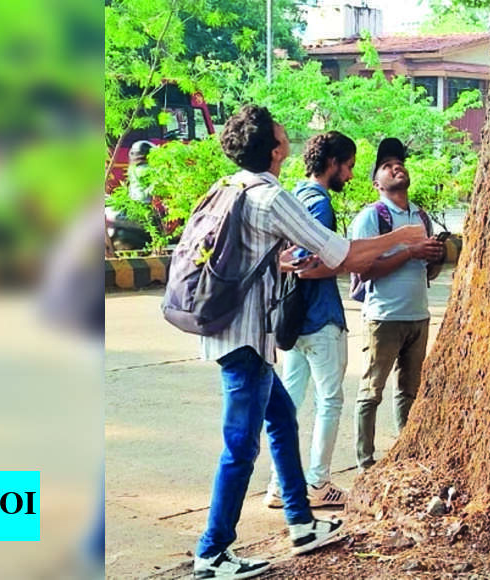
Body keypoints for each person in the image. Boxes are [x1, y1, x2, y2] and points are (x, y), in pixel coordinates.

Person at [192, 107, 428, 580]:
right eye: (283, 135)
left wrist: (276, 264)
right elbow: (341, 255)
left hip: (233, 332)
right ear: (274, 149)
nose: (289, 141)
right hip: (245, 340)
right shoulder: (271, 197)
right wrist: (402, 237)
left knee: (282, 419)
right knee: (240, 448)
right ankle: (212, 552)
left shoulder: (228, 186)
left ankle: (301, 524)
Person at [263, 131, 356, 510]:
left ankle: (279, 484)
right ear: (332, 163)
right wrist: (344, 261)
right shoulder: (319, 204)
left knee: (290, 403)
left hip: (292, 321)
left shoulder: (294, 196)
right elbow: (309, 261)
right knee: (329, 401)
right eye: (348, 166)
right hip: (319, 318)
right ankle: (318, 482)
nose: (349, 175)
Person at [351, 137, 445, 473]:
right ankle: (365, 463)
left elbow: (428, 271)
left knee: (409, 391)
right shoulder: (371, 217)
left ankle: (405, 457)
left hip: (418, 315)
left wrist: (435, 256)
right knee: (371, 391)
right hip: (384, 317)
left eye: (400, 163)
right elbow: (363, 269)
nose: (396, 168)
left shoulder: (421, 216)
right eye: (387, 166)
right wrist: (409, 252)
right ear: (377, 183)